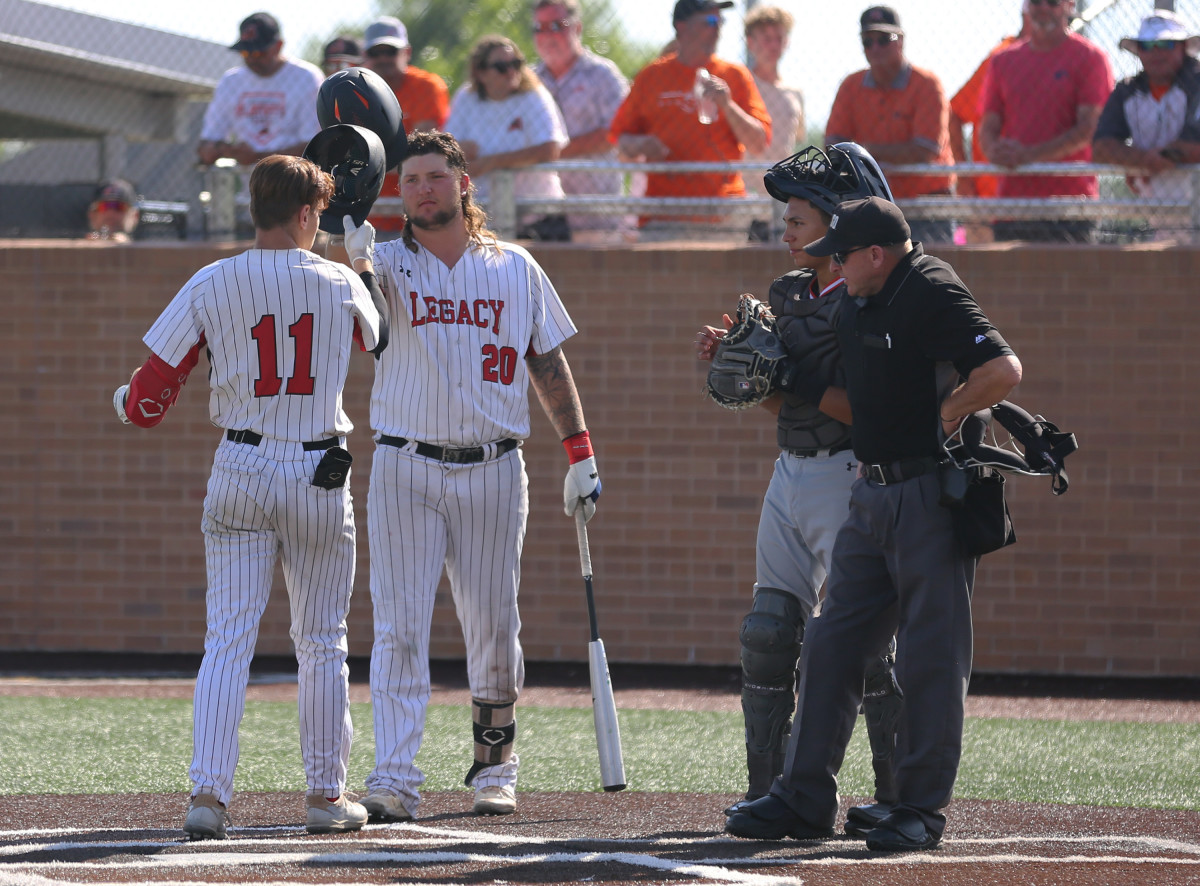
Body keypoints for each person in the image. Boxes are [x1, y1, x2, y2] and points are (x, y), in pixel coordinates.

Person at [725, 195, 1022, 851]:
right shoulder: (859, 296)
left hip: (929, 497)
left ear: (876, 254)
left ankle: (919, 808)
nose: (834, 268)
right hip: (873, 494)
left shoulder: (931, 287)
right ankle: (802, 799)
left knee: (929, 658)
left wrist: (950, 416)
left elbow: (1002, 370)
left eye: (843, 257)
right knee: (831, 643)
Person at [110, 154, 389, 839]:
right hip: (319, 466)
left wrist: (122, 403)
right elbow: (379, 337)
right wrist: (365, 266)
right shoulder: (337, 281)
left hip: (240, 463)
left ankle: (208, 795)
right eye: (317, 213)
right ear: (302, 213)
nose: (320, 223)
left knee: (228, 639)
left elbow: (148, 400)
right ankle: (326, 797)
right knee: (322, 641)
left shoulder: (210, 279)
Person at [357, 130, 601, 822]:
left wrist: (580, 453)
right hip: (404, 463)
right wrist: (351, 262)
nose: (423, 189)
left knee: (494, 626)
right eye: (409, 180)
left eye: (436, 176)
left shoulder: (515, 267)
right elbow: (357, 327)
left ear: (465, 184)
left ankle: (495, 768)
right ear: (398, 192)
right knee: (400, 627)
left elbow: (547, 363)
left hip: (495, 465)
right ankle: (395, 777)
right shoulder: (381, 263)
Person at [695, 144, 903, 822]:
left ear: (838, 225)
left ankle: (896, 795)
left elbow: (865, 410)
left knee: (868, 648)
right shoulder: (786, 294)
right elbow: (787, 405)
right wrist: (740, 369)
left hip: (850, 475)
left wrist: (789, 377)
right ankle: (772, 791)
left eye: (799, 220)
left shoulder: (869, 300)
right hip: (791, 471)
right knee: (768, 628)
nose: (785, 232)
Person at [608, 0, 770, 233]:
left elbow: (759, 142)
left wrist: (727, 105)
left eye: (720, 21)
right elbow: (619, 138)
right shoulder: (652, 76)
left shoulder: (735, 75)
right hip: (664, 211)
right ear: (682, 26)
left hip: (723, 212)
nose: (718, 29)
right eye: (710, 21)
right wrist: (640, 144)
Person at [979, 0, 1113, 243]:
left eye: (1052, 2)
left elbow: (1089, 128)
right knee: (1009, 280)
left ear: (1070, 5)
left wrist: (1029, 156)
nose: (1043, 8)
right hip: (1011, 206)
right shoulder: (1002, 61)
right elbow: (987, 125)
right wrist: (994, 151)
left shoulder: (1091, 58)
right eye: (1036, 2)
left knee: (1070, 281)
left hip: (1070, 205)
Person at [824, 6, 956, 244]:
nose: (875, 47)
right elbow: (834, 147)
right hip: (871, 203)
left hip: (925, 205)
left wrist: (862, 151)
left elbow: (924, 151)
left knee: (929, 277)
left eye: (885, 39)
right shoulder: (851, 86)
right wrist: (871, 154)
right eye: (868, 41)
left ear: (901, 41)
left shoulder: (926, 84)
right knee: (872, 278)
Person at [446, 35, 571, 241]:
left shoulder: (533, 96)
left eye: (516, 64)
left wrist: (490, 163)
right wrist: (459, 150)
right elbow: (449, 149)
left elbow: (549, 150)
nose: (511, 71)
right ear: (481, 72)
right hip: (485, 215)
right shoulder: (467, 98)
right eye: (501, 66)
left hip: (539, 214)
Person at [1092, 11, 1200, 239]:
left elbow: (1193, 145)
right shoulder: (1128, 90)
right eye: (1147, 45)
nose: (1156, 52)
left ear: (1183, 47)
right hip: (1159, 213)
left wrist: (1143, 160)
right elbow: (1101, 147)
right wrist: (1143, 160)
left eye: (1165, 44)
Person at [532, 0, 631, 237]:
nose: (547, 35)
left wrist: (550, 153)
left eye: (556, 25)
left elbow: (615, 132)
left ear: (577, 28)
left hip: (595, 214)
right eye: (539, 27)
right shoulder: (530, 80)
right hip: (540, 214)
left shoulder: (603, 75)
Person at [361, 16, 451, 236]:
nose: (383, 58)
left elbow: (421, 151)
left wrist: (371, 160)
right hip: (366, 213)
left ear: (407, 53)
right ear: (365, 57)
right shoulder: (354, 89)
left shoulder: (426, 87)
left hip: (419, 210)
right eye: (376, 52)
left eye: (390, 51)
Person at [197, 13, 323, 167]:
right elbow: (207, 143)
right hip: (245, 184)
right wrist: (225, 149)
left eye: (259, 52)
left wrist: (258, 157)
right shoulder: (231, 81)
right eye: (245, 52)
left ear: (278, 46)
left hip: (293, 182)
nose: (251, 58)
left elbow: (314, 146)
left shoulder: (306, 77)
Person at [947, 11, 1030, 242]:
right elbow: (954, 114)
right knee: (989, 275)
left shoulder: (1070, 56)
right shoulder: (1002, 56)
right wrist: (964, 178)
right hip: (989, 201)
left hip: (1044, 195)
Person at [742, 6, 806, 241]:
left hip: (781, 199)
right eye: (766, 38)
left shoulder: (794, 93)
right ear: (751, 42)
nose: (773, 45)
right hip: (745, 198)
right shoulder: (741, 85)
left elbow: (795, 142)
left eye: (779, 38)